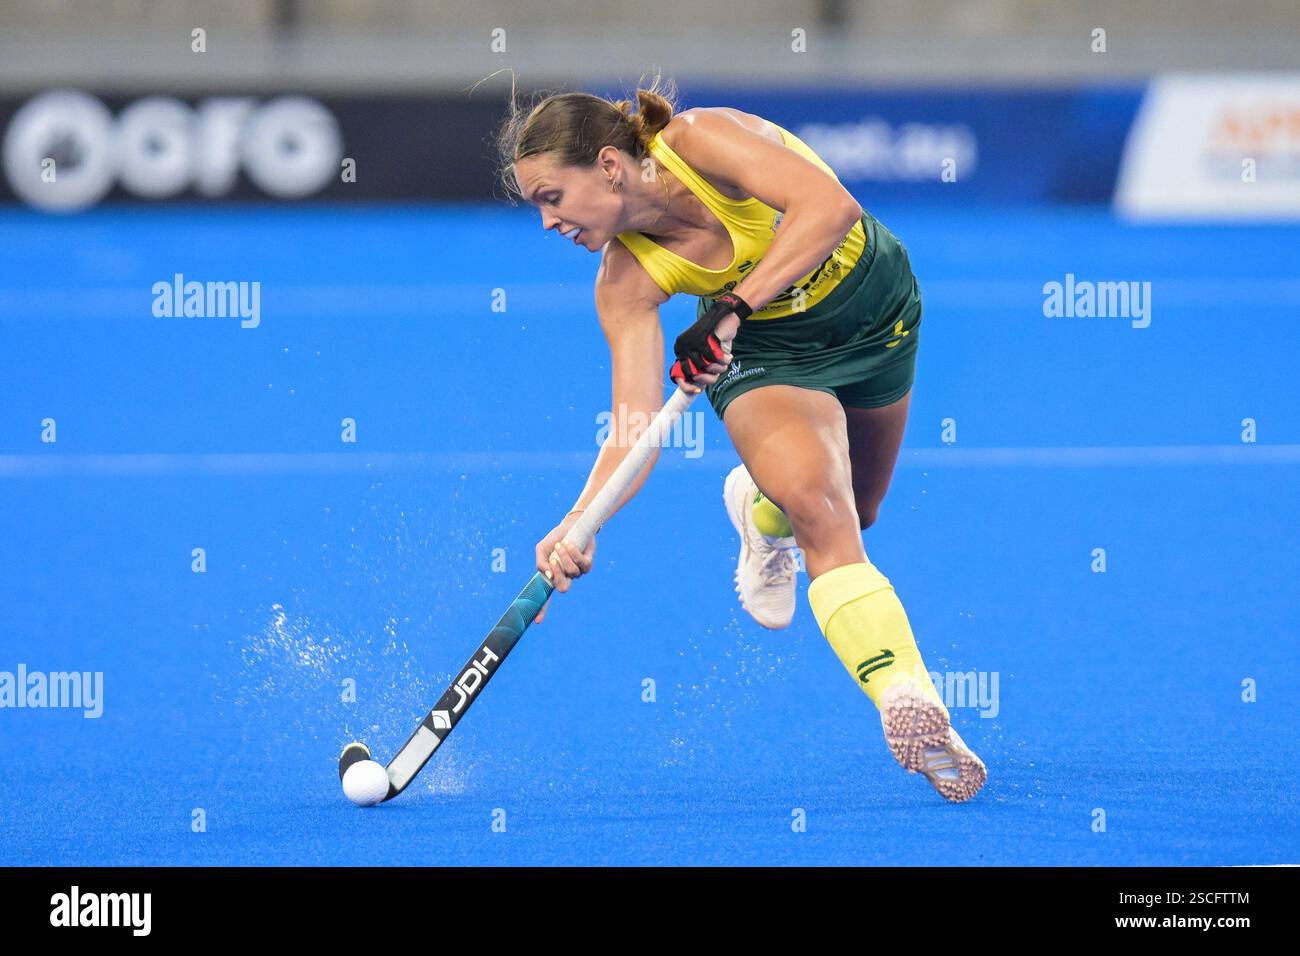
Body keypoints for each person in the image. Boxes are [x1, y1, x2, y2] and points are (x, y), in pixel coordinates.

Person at [497, 74, 986, 802]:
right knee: (825, 510)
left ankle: (761, 514)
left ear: (607, 165)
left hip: (876, 314)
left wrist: (729, 304)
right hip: (767, 356)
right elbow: (635, 428)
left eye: (551, 198)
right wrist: (581, 518)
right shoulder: (625, 279)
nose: (546, 223)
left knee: (863, 504)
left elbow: (830, 207)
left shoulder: (699, 140)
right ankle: (907, 695)